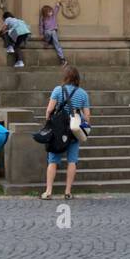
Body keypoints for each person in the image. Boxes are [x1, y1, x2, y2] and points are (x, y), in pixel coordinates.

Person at [41, 65, 91, 201]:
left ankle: (48, 191)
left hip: (58, 131)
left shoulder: (58, 90)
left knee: (52, 160)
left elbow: (49, 110)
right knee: (72, 161)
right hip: (74, 131)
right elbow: (87, 117)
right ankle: (68, 192)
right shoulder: (83, 94)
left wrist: (49, 123)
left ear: (65, 77)